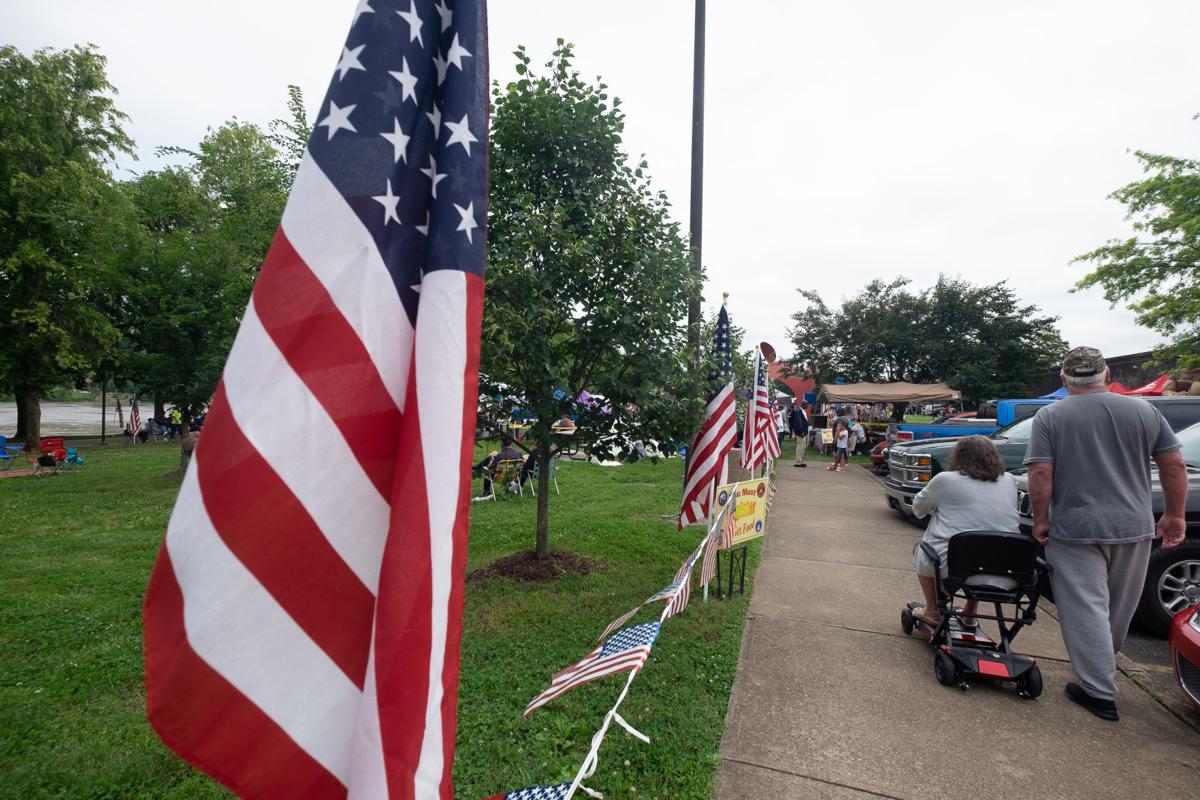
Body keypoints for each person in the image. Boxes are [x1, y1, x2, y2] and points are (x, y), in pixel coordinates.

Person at [1025, 346, 1187, 722]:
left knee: (1085, 606)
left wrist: (1040, 518)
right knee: (1119, 606)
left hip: (1076, 527)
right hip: (1133, 525)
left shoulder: (1051, 415)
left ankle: (1098, 689)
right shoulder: (1145, 410)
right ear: (1107, 374)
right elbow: (1174, 463)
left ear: (1063, 379)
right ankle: (1099, 664)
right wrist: (1175, 515)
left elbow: (1040, 473)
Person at [909, 436, 1018, 627]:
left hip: (954, 566)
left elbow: (918, 509)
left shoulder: (946, 480)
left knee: (922, 549)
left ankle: (933, 610)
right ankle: (969, 613)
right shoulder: (1009, 480)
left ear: (959, 456)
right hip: (1005, 568)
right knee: (981, 549)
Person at [790, 403, 809, 467]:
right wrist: (801, 431)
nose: (807, 405)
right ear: (803, 404)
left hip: (803, 431)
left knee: (803, 446)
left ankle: (800, 460)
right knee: (800, 446)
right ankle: (798, 462)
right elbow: (799, 422)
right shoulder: (798, 411)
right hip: (801, 432)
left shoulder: (801, 411)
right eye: (807, 404)